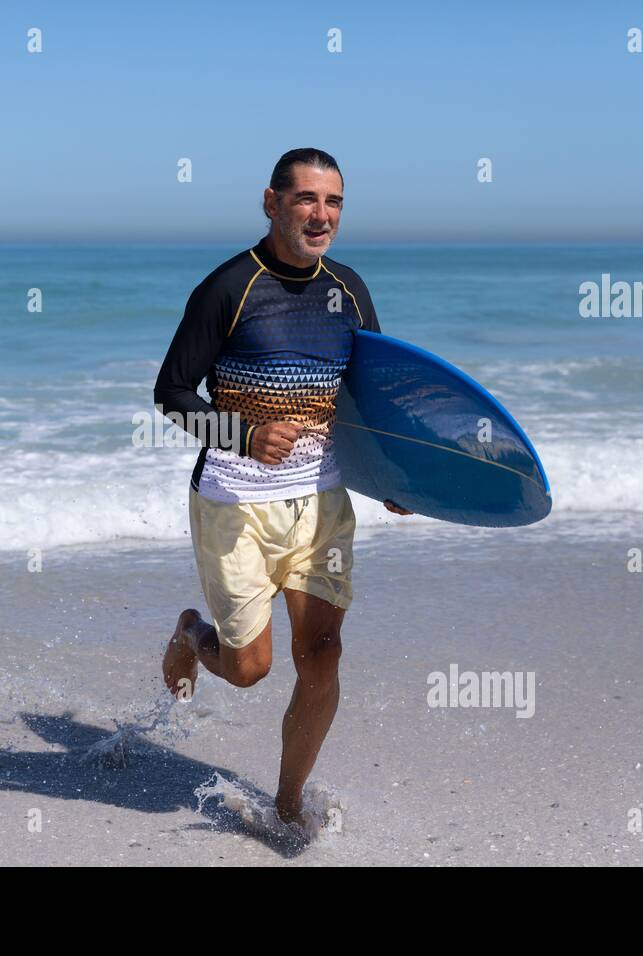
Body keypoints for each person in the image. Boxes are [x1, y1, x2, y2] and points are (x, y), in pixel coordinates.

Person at [153, 147, 410, 829]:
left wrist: (394, 475)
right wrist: (241, 434)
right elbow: (172, 394)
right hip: (234, 506)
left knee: (322, 656)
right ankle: (189, 633)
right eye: (306, 200)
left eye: (334, 203)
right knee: (248, 670)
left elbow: (370, 397)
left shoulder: (348, 289)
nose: (321, 215)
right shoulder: (228, 288)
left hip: (321, 505)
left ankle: (287, 804)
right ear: (272, 203)